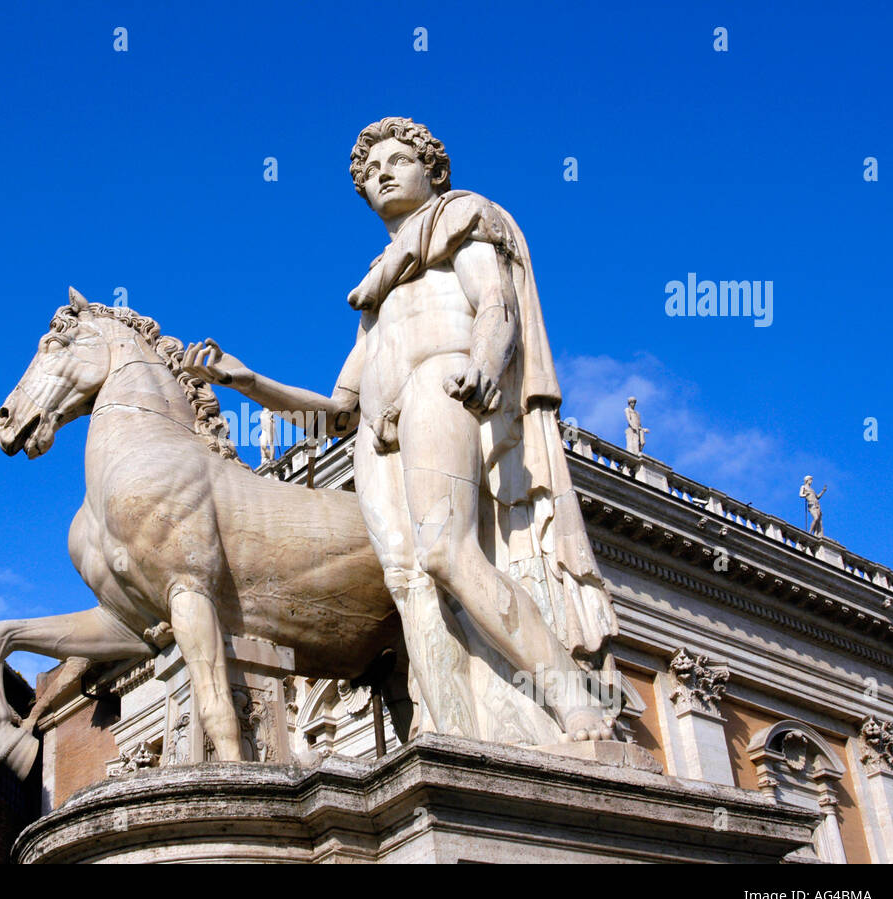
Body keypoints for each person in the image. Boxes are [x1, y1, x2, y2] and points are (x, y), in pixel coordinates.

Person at [183, 118, 617, 741]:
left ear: (432, 171)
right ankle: (456, 739)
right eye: (368, 172)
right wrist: (248, 381)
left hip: (442, 383)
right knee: (410, 584)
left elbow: (497, 303)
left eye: (395, 160)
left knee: (447, 552)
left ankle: (571, 701)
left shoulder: (459, 221)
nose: (380, 173)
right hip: (377, 436)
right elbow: (335, 413)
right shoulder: (378, 294)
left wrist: (486, 363)